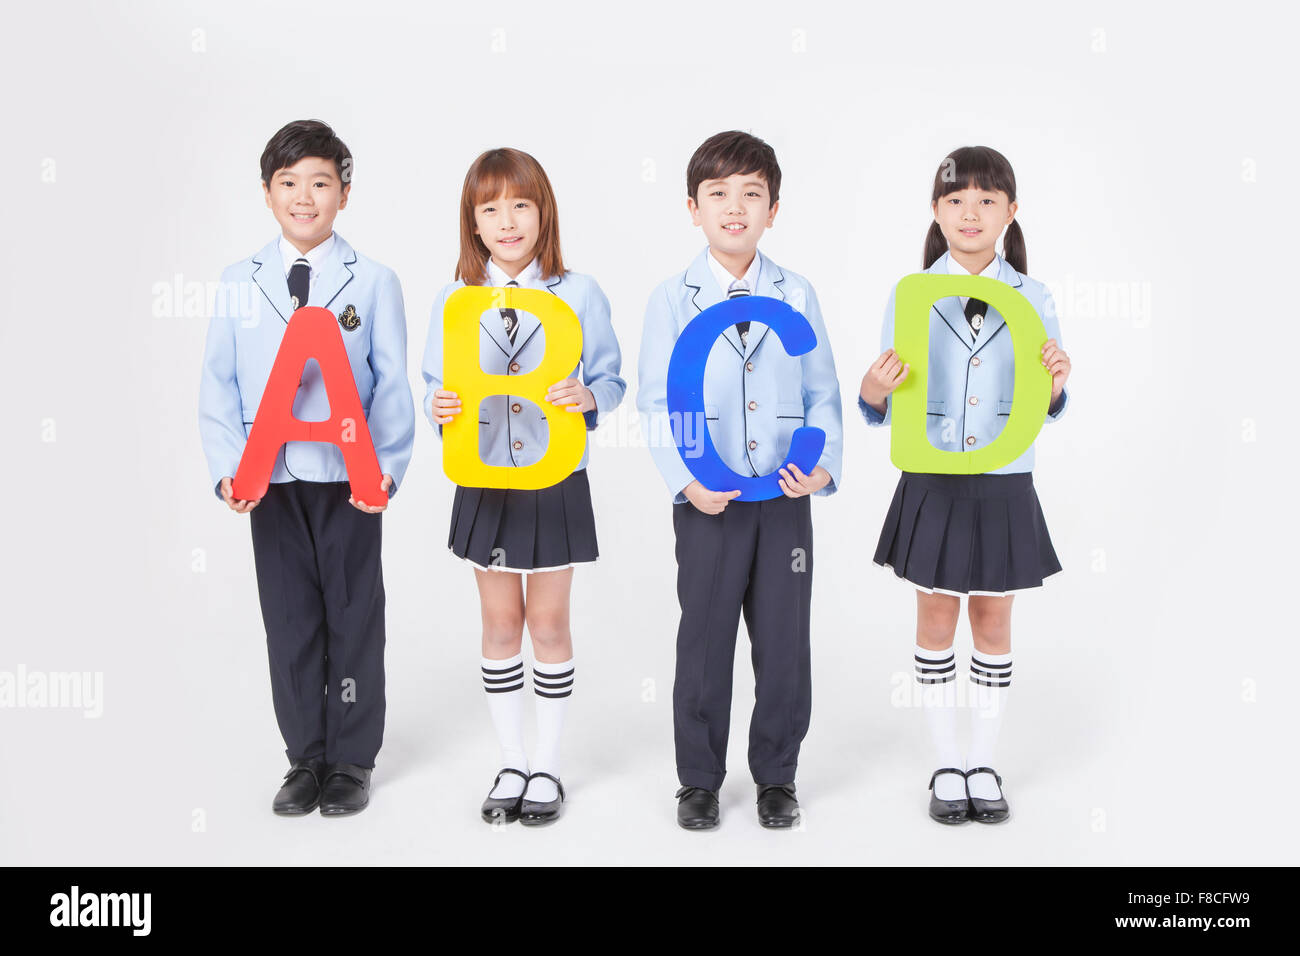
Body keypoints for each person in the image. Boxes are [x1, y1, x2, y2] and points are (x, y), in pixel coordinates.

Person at [198, 119, 415, 816]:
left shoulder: (374, 281)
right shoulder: (239, 281)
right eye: (288, 183)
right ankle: (304, 758)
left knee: (354, 617)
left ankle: (351, 759)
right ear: (267, 194)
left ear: (343, 194)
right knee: (290, 621)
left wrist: (382, 472)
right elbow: (218, 386)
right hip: (271, 483)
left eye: (320, 182)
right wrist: (230, 471)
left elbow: (390, 384)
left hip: (348, 482)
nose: (304, 196)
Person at [858, 145, 1072, 824]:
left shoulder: (1033, 296)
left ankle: (983, 759)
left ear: (1012, 211)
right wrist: (871, 390)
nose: (971, 213)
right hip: (934, 475)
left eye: (987, 201)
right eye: (956, 201)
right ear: (935, 212)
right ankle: (947, 760)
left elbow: (1049, 398)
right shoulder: (911, 293)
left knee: (993, 618)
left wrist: (1059, 385)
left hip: (1004, 476)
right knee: (936, 615)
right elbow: (884, 396)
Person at [637, 130, 843, 830]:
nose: (735, 207)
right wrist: (687, 477)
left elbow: (822, 393)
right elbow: (660, 400)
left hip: (784, 497)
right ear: (692, 208)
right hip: (710, 500)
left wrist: (821, 465)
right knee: (705, 639)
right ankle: (698, 779)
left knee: (785, 641)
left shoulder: (798, 292)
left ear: (773, 210)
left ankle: (777, 777)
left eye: (752, 194)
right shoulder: (672, 298)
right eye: (718, 194)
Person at [421, 147, 625, 826]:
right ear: (471, 223)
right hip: (485, 477)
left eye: (520, 205)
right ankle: (511, 759)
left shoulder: (578, 292)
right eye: (489, 208)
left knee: (549, 622)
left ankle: (549, 764)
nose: (506, 221)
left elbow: (611, 380)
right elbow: (435, 385)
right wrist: (438, 407)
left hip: (553, 475)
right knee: (501, 624)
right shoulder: (457, 299)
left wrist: (588, 395)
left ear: (544, 213)